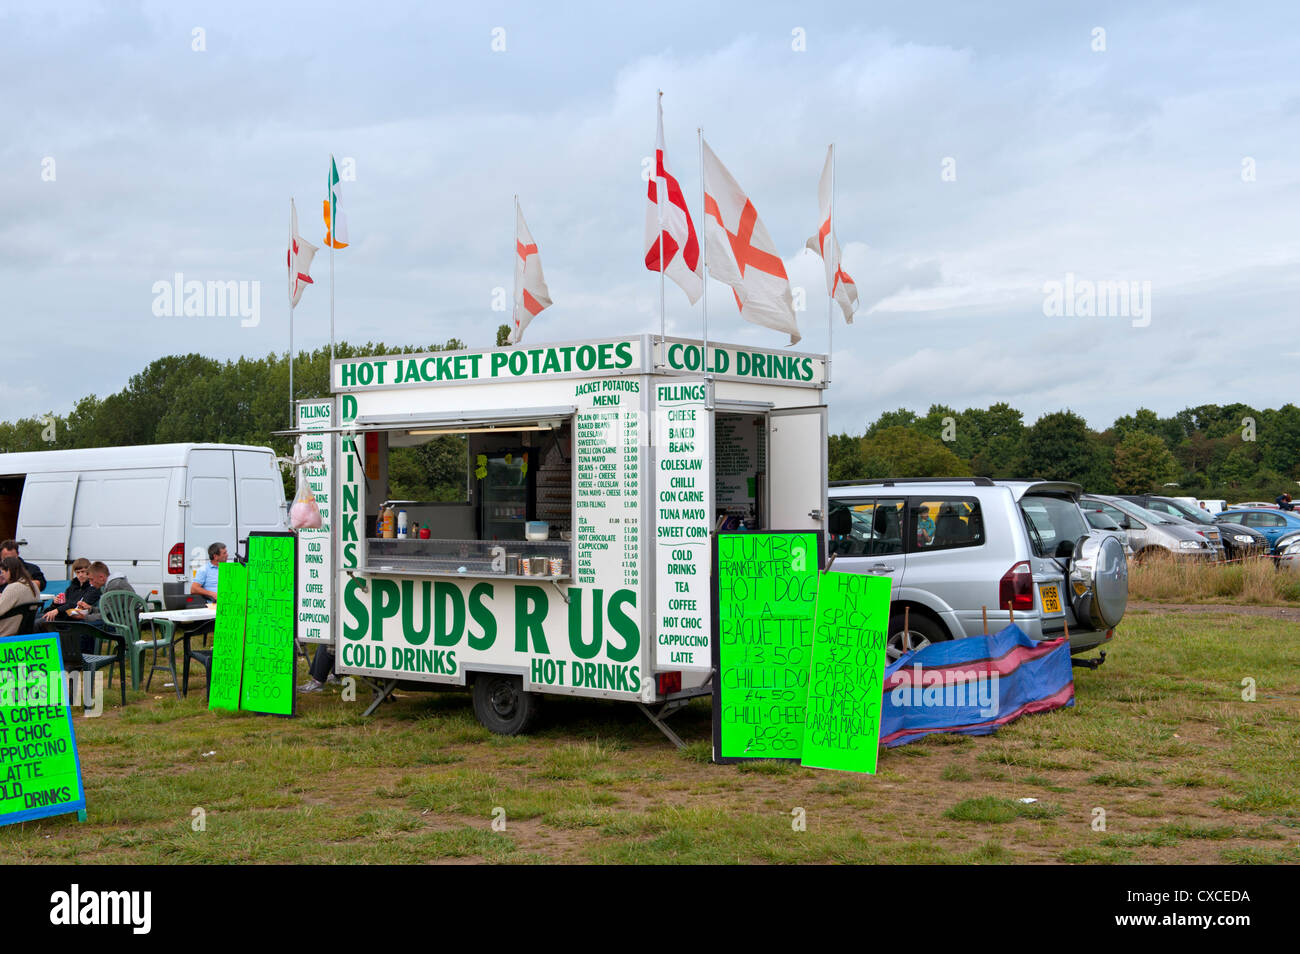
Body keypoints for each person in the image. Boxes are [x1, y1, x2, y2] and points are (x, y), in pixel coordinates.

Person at [0, 557, 42, 637]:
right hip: (23, 630)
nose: (2, 575)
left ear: (8, 570)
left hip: (6, 630)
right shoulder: (33, 585)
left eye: (2, 572)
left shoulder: (13, 587)